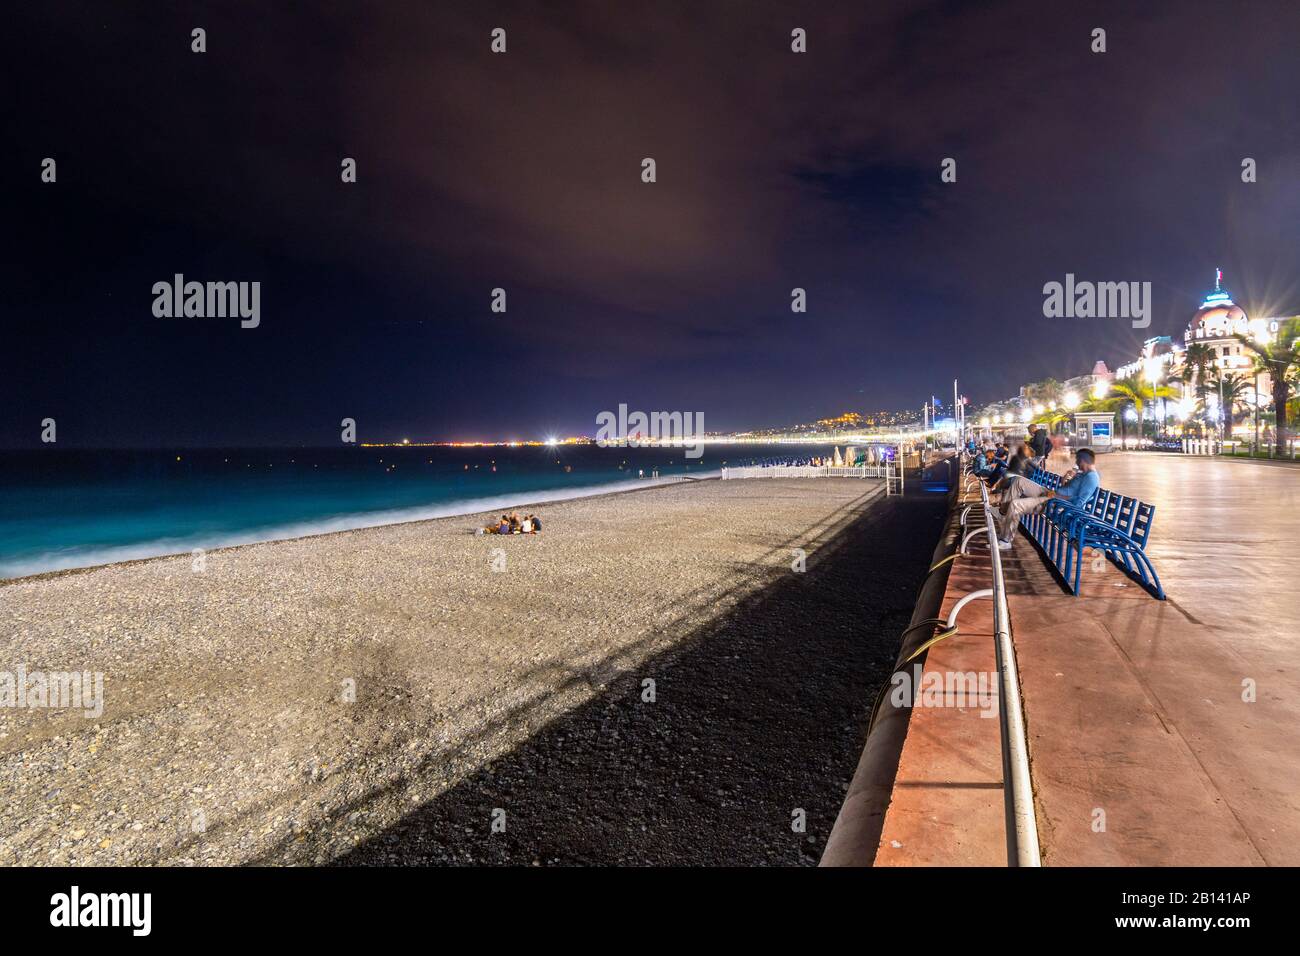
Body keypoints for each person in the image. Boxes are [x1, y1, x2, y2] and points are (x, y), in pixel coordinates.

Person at [996, 448, 1100, 549]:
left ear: (1083, 460)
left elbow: (1079, 501)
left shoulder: (1091, 477)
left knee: (1016, 505)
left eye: (1077, 459)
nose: (1076, 461)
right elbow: (1068, 489)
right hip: (1052, 495)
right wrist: (1066, 478)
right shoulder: (1083, 474)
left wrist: (1057, 497)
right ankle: (1002, 513)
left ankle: (1006, 540)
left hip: (1056, 504)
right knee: (1018, 481)